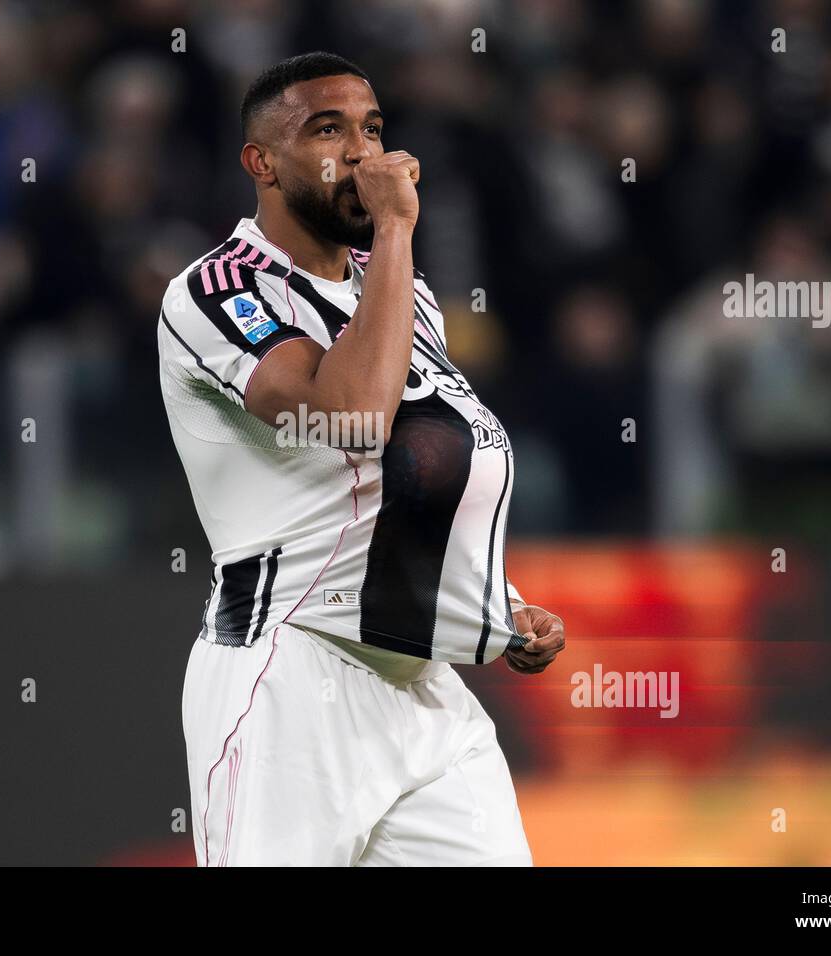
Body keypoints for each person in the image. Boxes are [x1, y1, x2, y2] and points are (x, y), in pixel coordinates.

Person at [157, 51, 566, 866]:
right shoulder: (213, 289)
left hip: (421, 686)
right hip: (290, 675)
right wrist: (397, 226)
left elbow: (426, 450)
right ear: (260, 163)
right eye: (327, 130)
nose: (362, 153)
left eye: (373, 129)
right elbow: (351, 419)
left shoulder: (399, 285)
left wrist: (498, 598)